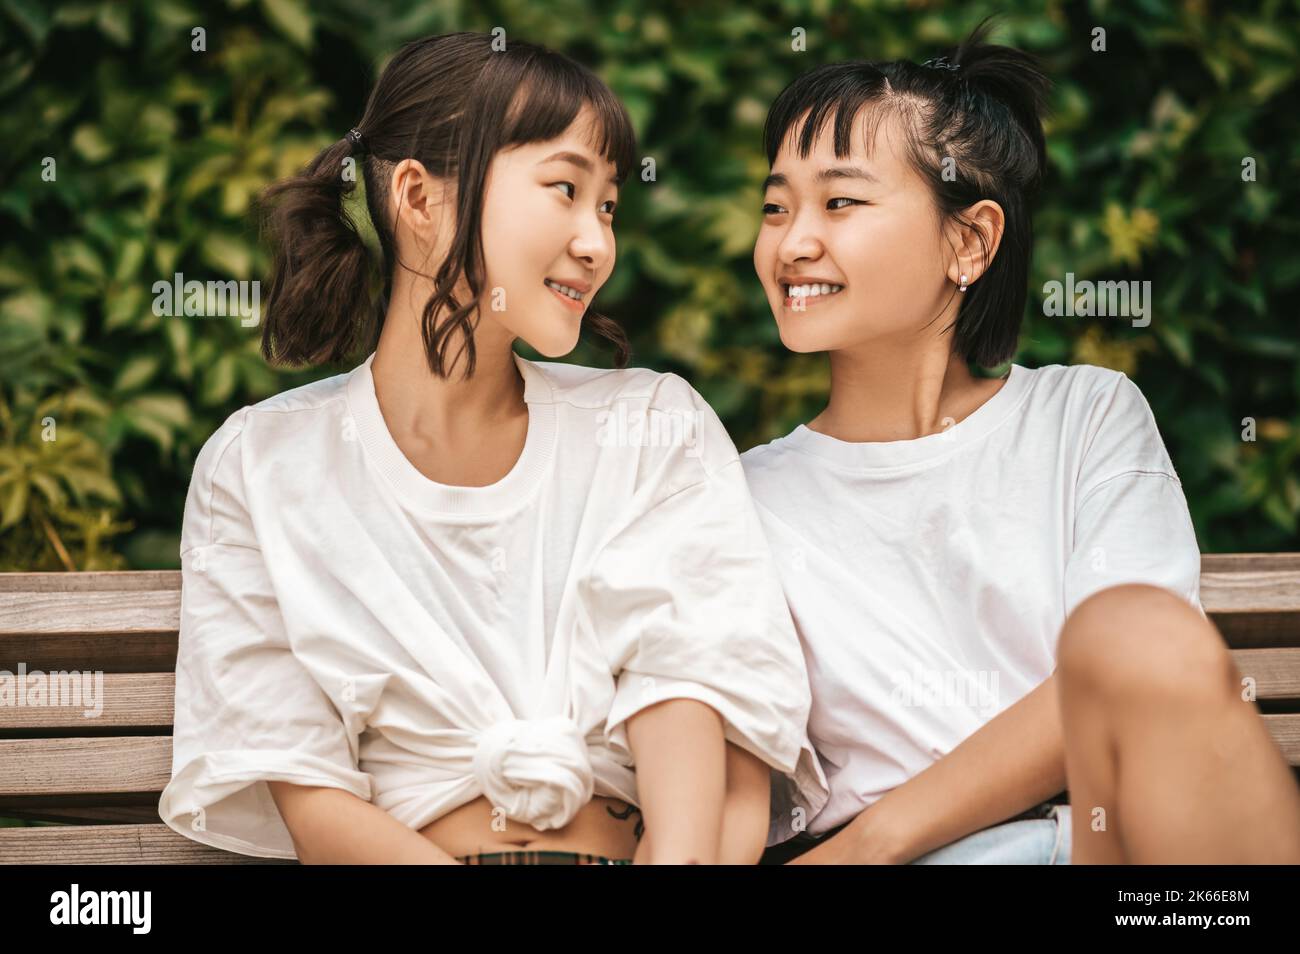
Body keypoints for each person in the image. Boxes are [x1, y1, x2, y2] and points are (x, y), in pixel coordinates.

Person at [158, 31, 827, 866]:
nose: (598, 243)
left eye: (609, 205)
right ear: (418, 196)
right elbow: (312, 801)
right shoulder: (262, 465)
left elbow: (700, 712)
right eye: (564, 189)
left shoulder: (654, 428)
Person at [744, 16, 1300, 864]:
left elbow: (1135, 677)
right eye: (776, 206)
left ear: (969, 240)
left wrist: (873, 844)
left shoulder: (1086, 417)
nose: (793, 242)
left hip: (1114, 850)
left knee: (1135, 634)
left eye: (841, 201)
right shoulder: (742, 495)